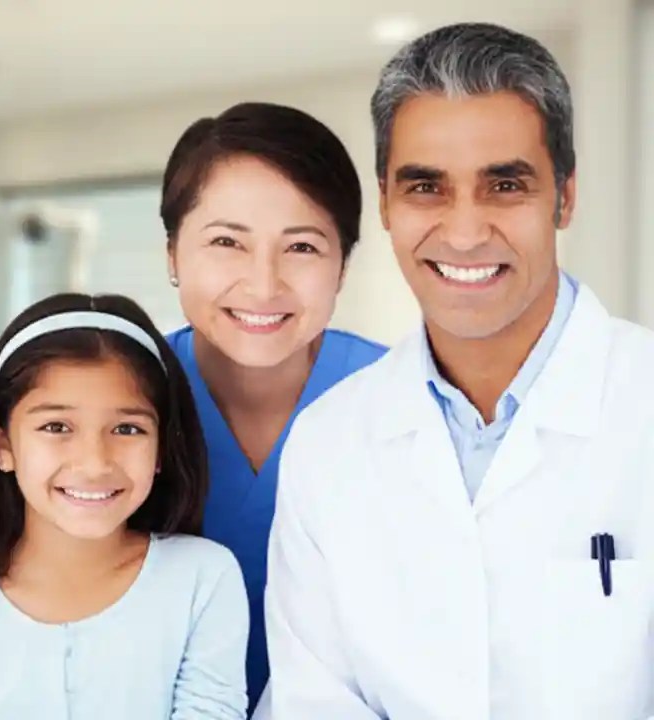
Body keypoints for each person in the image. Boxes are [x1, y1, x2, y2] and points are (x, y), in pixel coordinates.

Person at [0, 102, 386, 718]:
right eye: (225, 242)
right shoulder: (126, 387)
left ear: (344, 262)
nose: (263, 284)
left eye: (302, 246)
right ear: (171, 255)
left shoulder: (401, 402)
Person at [265, 22, 654, 719]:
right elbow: (314, 701)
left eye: (505, 184)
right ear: (384, 201)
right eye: (426, 188)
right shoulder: (327, 446)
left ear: (564, 197)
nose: (466, 231)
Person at [0, 292, 249, 719]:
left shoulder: (202, 580)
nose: (94, 463)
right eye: (56, 426)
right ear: (2, 443)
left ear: (163, 445)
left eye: (127, 428)